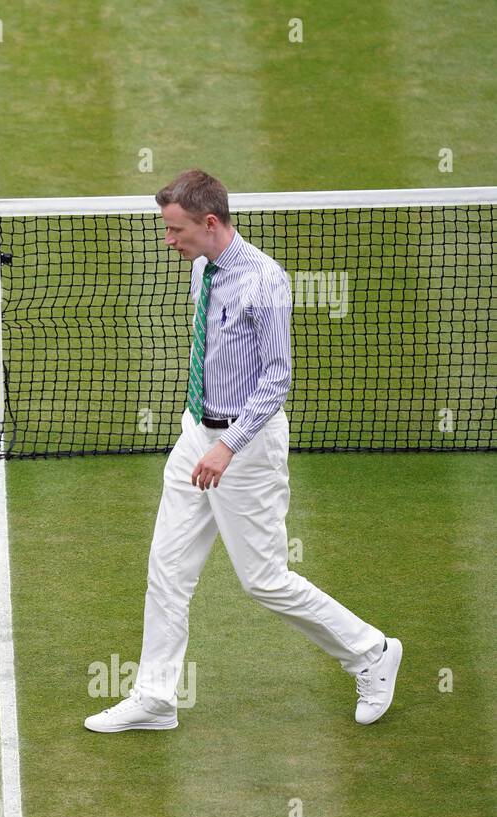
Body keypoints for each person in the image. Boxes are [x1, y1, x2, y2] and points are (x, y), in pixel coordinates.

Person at [85, 169, 402, 733]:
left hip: (246, 450)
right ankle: (156, 698)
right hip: (196, 437)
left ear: (210, 223)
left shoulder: (265, 281)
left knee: (264, 580)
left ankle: (371, 652)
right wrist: (202, 436)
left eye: (176, 229)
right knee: (167, 569)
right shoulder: (203, 269)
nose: (169, 240)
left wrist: (226, 447)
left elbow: (276, 380)